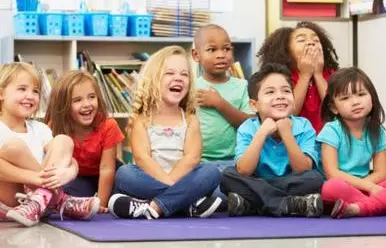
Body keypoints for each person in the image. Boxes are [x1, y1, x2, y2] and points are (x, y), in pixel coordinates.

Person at [108, 46, 222, 219]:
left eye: (184, 74)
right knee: (124, 174)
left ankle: (152, 206)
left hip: (184, 178)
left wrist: (174, 180)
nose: (178, 78)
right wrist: (171, 185)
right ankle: (187, 204)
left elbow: (192, 158)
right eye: (170, 73)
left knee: (211, 171)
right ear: (154, 80)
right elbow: (142, 159)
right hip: (151, 180)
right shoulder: (142, 120)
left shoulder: (190, 119)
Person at [0, 63, 99, 227]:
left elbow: (68, 157)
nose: (30, 96)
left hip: (39, 200)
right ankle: (58, 199)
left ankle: (42, 199)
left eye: (35, 91)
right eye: (22, 89)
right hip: (10, 201)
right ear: (1, 93)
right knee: (13, 147)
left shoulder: (40, 129)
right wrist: (35, 179)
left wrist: (69, 172)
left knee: (63, 140)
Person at [220, 63, 324, 217]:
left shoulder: (304, 126)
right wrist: (261, 133)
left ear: (294, 100)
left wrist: (286, 133)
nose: (280, 96)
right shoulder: (247, 128)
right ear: (254, 105)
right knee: (228, 176)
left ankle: (253, 203)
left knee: (314, 179)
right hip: (258, 180)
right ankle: (289, 204)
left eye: (286, 91)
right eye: (270, 92)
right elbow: (244, 170)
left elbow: (302, 169)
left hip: (288, 181)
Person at [318, 67, 386, 219]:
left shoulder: (376, 131)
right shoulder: (331, 130)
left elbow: (381, 172)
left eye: (361, 94)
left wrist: (367, 186)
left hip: (367, 186)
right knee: (330, 187)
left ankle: (358, 209)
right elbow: (333, 174)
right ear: (334, 107)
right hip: (343, 188)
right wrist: (369, 187)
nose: (355, 102)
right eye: (345, 98)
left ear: (371, 97)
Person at [44, 71, 125, 213]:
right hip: (78, 176)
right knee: (70, 192)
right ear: (63, 106)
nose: (87, 104)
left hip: (107, 173)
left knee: (124, 185)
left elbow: (107, 169)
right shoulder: (55, 127)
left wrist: (101, 203)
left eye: (92, 97)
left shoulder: (108, 125)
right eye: (77, 100)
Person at [192, 24, 253, 201]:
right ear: (196, 55)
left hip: (233, 163)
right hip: (198, 163)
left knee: (224, 194)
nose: (221, 55)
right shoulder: (191, 87)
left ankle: (209, 200)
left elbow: (249, 124)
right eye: (212, 49)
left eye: (226, 49)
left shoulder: (242, 86)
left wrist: (220, 103)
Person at [257, 21, 339, 133]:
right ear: (286, 51)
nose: (311, 43)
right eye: (301, 40)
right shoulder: (282, 78)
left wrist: (318, 74)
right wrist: (305, 75)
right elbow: (289, 112)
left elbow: (336, 108)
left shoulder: (331, 74)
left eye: (316, 40)